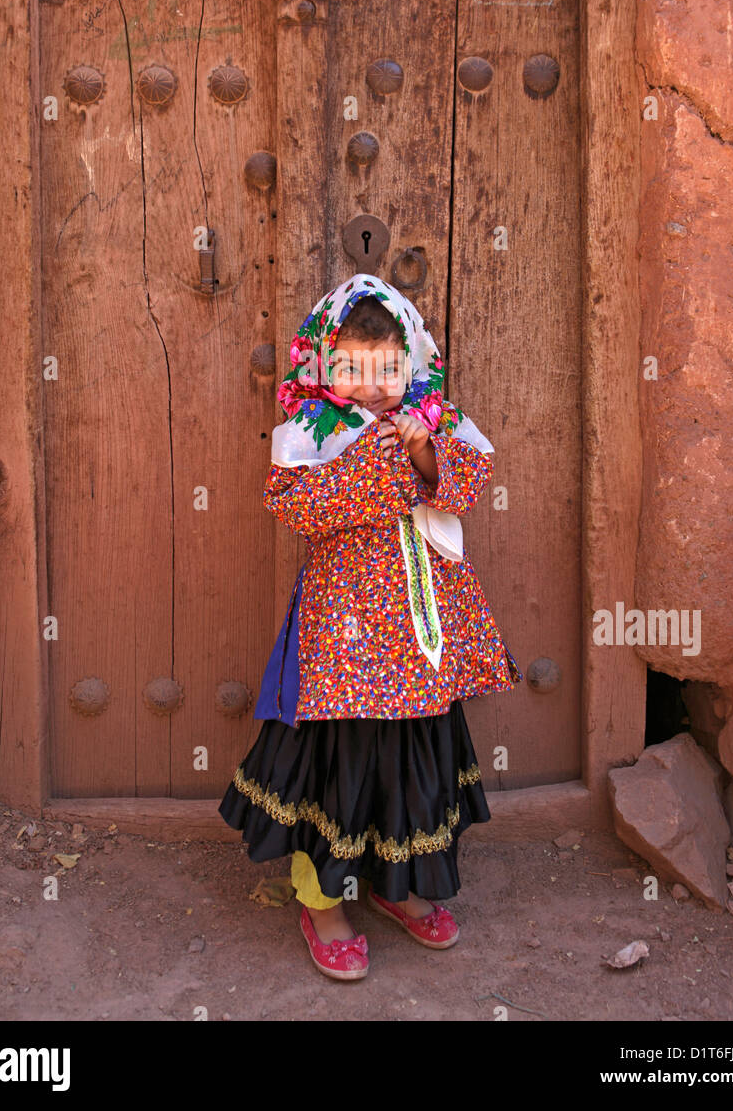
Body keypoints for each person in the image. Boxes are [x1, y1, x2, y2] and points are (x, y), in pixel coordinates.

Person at [219, 272, 522, 980]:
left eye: (389, 368)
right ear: (325, 364)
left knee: (410, 756)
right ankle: (323, 901)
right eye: (352, 368)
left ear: (411, 361)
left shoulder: (435, 420)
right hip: (345, 636)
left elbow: (468, 484)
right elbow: (301, 509)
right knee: (344, 759)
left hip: (419, 638)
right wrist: (386, 461)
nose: (372, 384)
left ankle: (402, 890)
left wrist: (421, 450)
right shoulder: (309, 433)